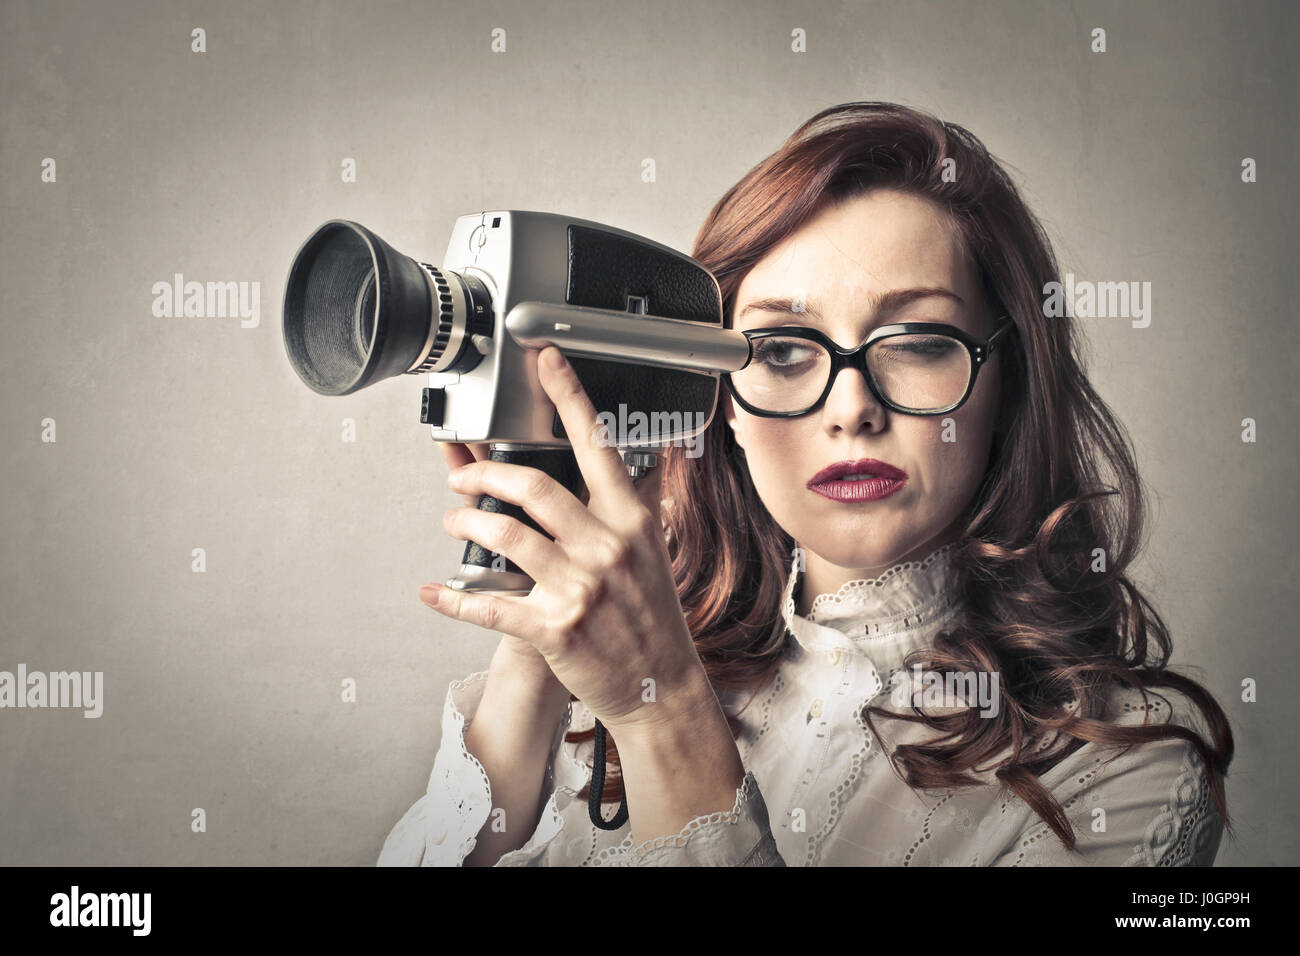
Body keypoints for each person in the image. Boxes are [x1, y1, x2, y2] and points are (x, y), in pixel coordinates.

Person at [377, 101, 1233, 867]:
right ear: (718, 398)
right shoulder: (624, 667)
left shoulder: (1127, 774)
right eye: (782, 352)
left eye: (919, 341)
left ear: (1007, 385)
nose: (851, 409)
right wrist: (538, 636)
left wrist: (668, 715)